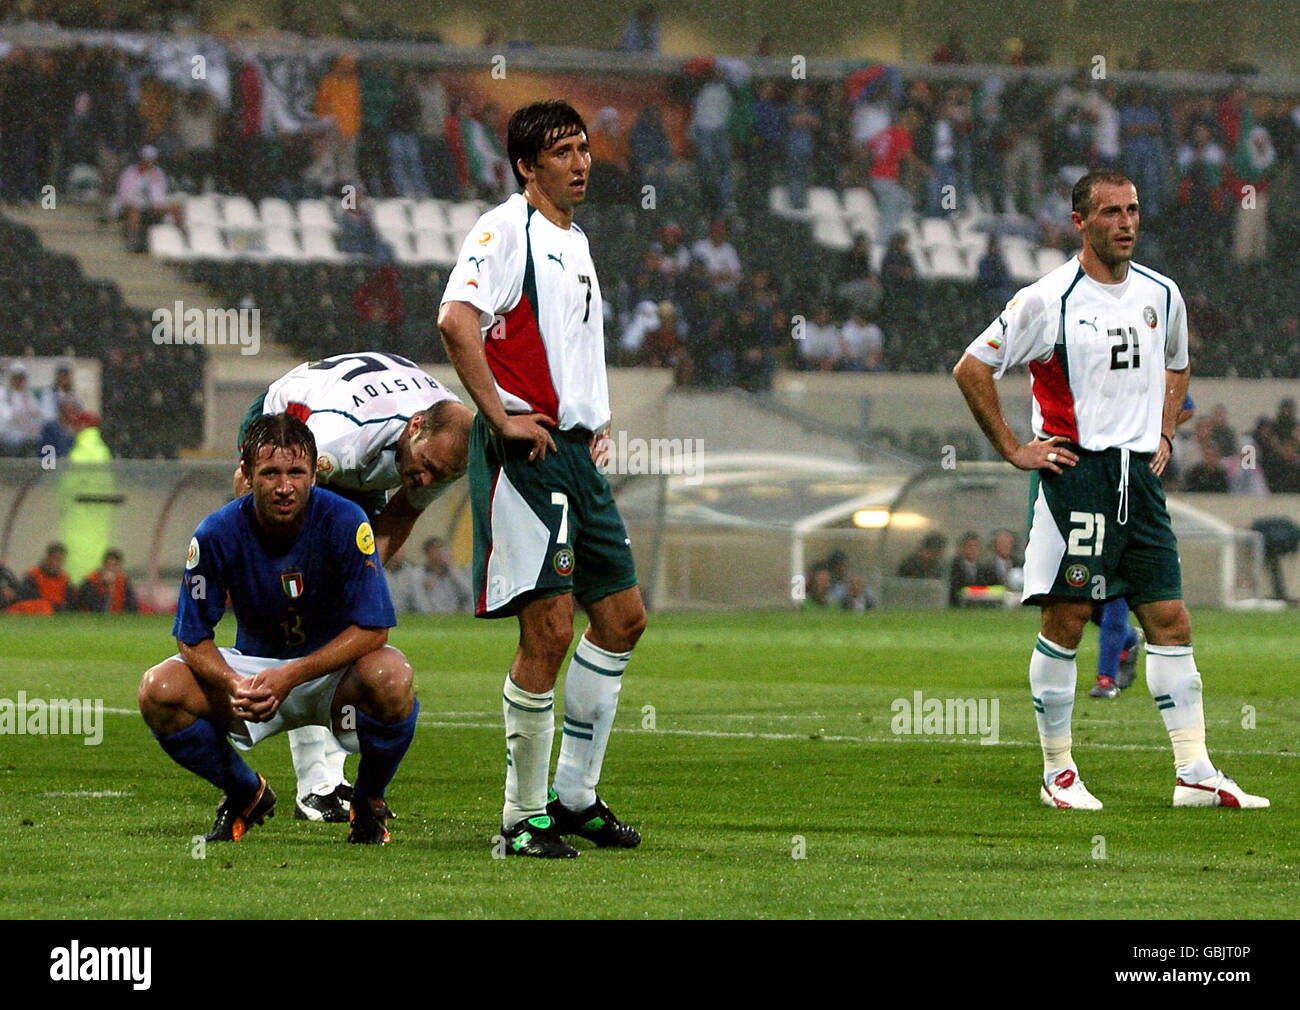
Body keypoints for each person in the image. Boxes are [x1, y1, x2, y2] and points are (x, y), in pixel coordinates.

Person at [952, 170, 1268, 810]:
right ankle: (1058, 773)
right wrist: (1015, 448)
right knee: (1066, 617)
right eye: (1111, 213)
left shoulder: (1163, 293)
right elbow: (971, 367)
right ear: (1080, 222)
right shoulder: (1048, 300)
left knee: (1171, 619)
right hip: (1077, 475)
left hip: (1140, 479)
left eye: (1133, 211)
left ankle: (1195, 773)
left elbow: (1178, 363)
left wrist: (1166, 431)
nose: (1126, 223)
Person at [438, 100, 646, 858]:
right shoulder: (504, 229)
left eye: (584, 148)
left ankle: (574, 800)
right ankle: (520, 819)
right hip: (527, 455)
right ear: (528, 166)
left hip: (576, 451)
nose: (581, 162)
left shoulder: (577, 238)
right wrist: (498, 416)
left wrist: (598, 417)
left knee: (622, 618)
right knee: (550, 630)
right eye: (562, 151)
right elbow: (456, 321)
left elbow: (572, 345)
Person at [138, 414, 416, 845]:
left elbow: (373, 630)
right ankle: (246, 793)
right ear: (246, 475)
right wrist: (233, 682)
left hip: (328, 677)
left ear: (313, 475)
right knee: (157, 690)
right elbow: (192, 637)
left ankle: (368, 800)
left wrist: (291, 676)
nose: (284, 486)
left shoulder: (347, 521)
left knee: (392, 676)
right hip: (251, 675)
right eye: (270, 473)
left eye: (295, 472)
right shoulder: (215, 533)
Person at [234, 350, 471, 823]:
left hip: (360, 451)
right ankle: (316, 786)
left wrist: (359, 581)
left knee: (340, 616)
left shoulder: (446, 451)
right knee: (302, 614)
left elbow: (401, 513)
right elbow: (249, 480)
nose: (427, 477)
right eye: (425, 465)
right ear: (414, 426)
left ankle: (330, 783)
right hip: (286, 417)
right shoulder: (336, 439)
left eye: (438, 475)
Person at [414, 536, 473, 614]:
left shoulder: (453, 573)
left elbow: (468, 592)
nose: (440, 553)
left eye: (441, 549)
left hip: (454, 617)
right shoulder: (420, 574)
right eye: (435, 550)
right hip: (432, 618)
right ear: (427, 553)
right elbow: (420, 600)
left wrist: (451, 567)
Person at [78, 548, 139, 613]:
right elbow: (89, 605)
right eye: (108, 565)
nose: (111, 569)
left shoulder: (124, 581)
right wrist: (106, 588)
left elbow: (132, 606)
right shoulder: (92, 580)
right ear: (103, 566)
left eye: (114, 566)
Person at [21, 542, 72, 613]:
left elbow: (71, 601)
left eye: (61, 560)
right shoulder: (33, 575)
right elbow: (29, 600)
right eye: (55, 559)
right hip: (39, 614)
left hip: (60, 614)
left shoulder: (64, 578)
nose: (57, 563)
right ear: (47, 558)